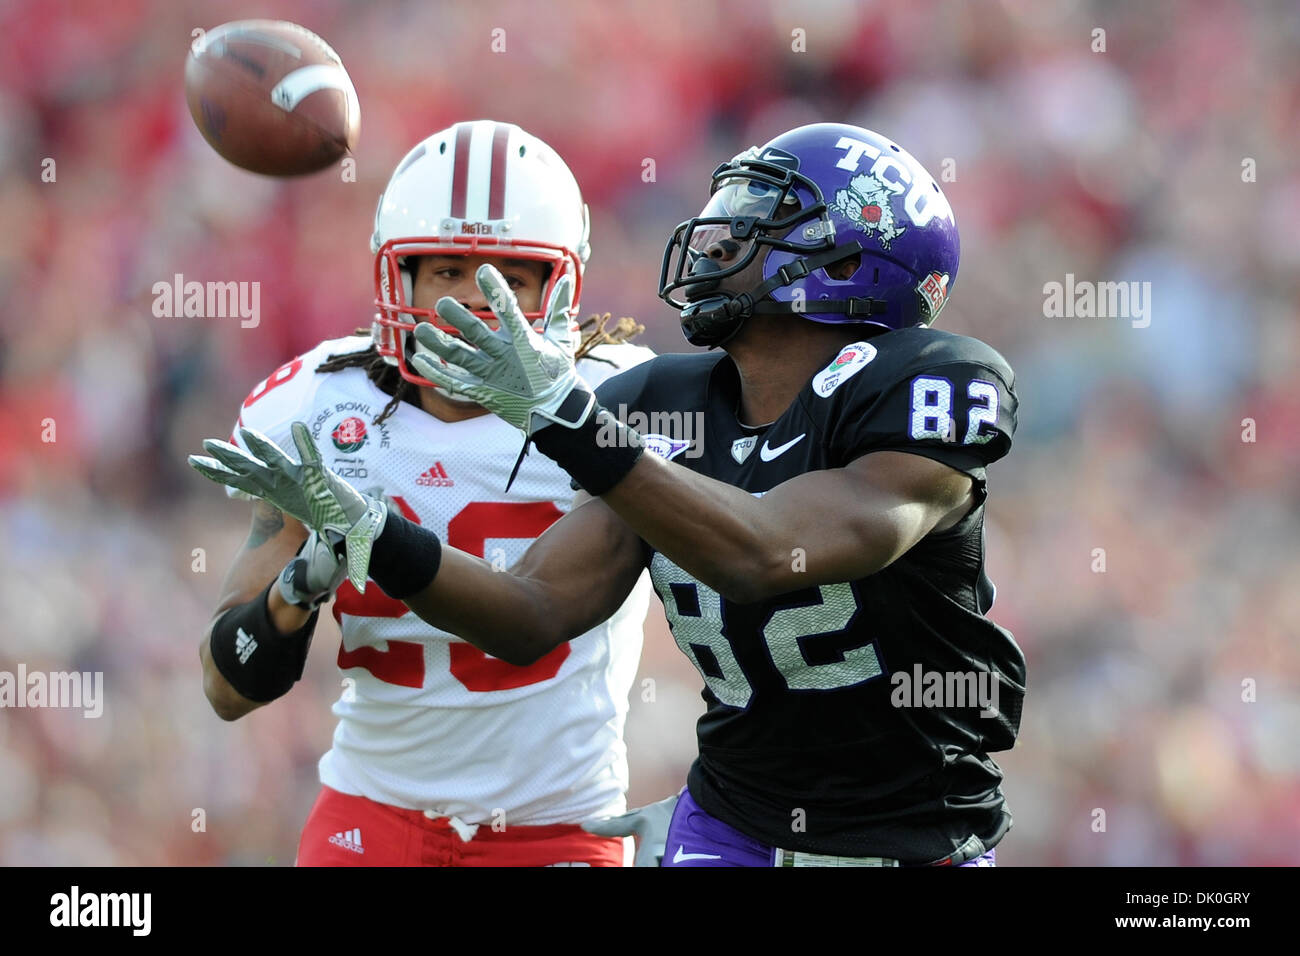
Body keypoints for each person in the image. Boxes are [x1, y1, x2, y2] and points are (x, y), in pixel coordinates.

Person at [194, 122, 1024, 867]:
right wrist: (375, 536)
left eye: (755, 220)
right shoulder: (661, 397)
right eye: (729, 207)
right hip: (726, 827)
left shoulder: (931, 387)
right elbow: (531, 615)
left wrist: (567, 419)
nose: (716, 237)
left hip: (910, 838)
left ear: (843, 266)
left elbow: (771, 551)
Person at [195, 120, 653, 867]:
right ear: (397, 279)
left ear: (560, 288)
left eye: (510, 278)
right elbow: (226, 689)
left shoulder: (618, 405)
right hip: (371, 817)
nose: (474, 303)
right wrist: (297, 587)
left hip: (559, 828)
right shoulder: (317, 409)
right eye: (446, 271)